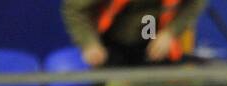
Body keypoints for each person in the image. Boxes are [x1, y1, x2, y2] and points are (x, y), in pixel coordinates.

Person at [61, 0, 207, 68]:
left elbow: (194, 3)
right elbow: (74, 10)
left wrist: (170, 32)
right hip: (112, 47)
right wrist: (89, 44)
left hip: (153, 47)